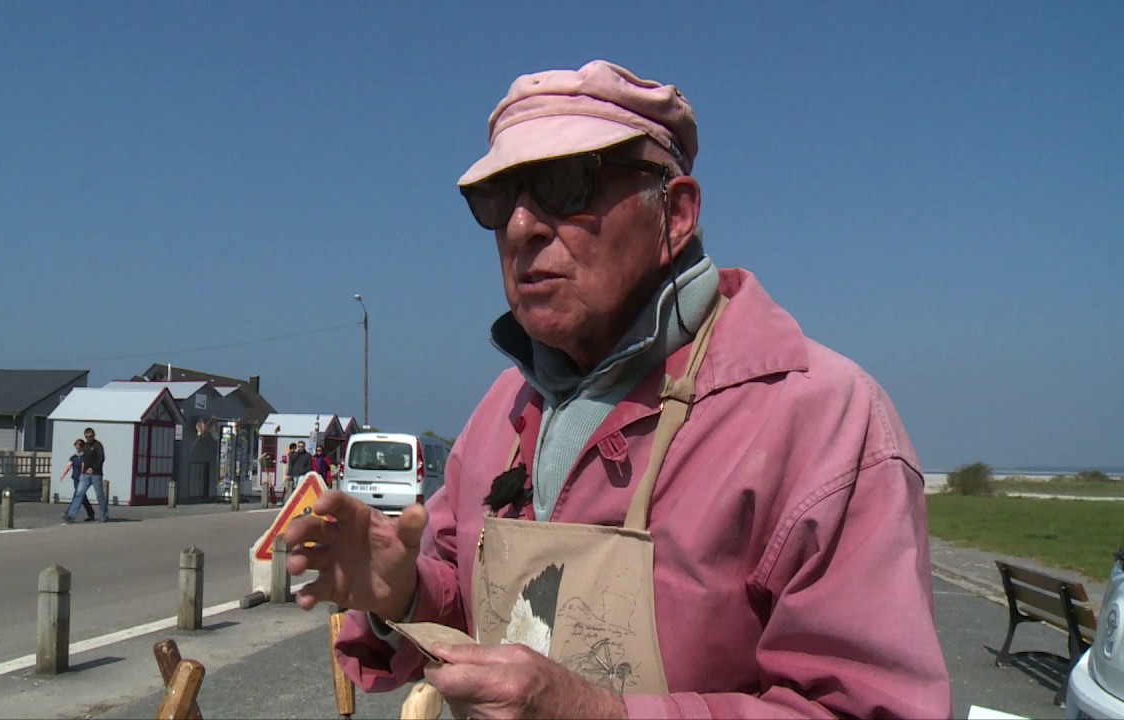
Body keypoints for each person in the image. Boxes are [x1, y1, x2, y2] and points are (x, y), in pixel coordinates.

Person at [284, 60, 951, 718]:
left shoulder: (821, 422)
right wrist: (403, 596)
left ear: (677, 212)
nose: (521, 227)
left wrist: (597, 713)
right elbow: (463, 599)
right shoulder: (503, 412)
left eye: (567, 184)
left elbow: (867, 709)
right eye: (497, 199)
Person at [62, 427, 108, 524]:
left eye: (90, 436)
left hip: (96, 474)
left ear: (93, 436)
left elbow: (101, 458)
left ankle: (104, 515)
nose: (88, 438)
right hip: (85, 475)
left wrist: (93, 468)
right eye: (86, 437)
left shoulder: (97, 445)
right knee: (79, 494)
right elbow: (82, 458)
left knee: (99, 495)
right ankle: (71, 515)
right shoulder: (85, 446)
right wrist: (82, 472)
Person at [58, 438, 95, 522]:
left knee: (77, 495)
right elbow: (69, 466)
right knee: (82, 497)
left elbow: (83, 466)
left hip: (83, 479)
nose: (78, 449)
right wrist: (63, 475)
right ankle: (91, 513)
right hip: (75, 479)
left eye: (79, 447)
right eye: (76, 447)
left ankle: (69, 513)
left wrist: (82, 475)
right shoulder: (73, 457)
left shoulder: (84, 457)